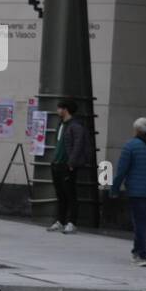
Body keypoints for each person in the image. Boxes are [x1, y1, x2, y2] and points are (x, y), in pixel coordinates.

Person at [111, 116, 146, 267]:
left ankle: (142, 255)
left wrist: (115, 188)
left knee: (140, 223)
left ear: (136, 130)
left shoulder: (131, 146)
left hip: (137, 191)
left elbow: (122, 170)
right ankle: (137, 251)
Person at [49, 99, 92, 233]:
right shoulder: (62, 124)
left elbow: (78, 146)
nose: (57, 111)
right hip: (57, 163)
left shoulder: (75, 126)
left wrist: (71, 163)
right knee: (60, 194)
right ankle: (60, 221)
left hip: (67, 165)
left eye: (59, 108)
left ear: (65, 109)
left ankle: (72, 222)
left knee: (70, 194)